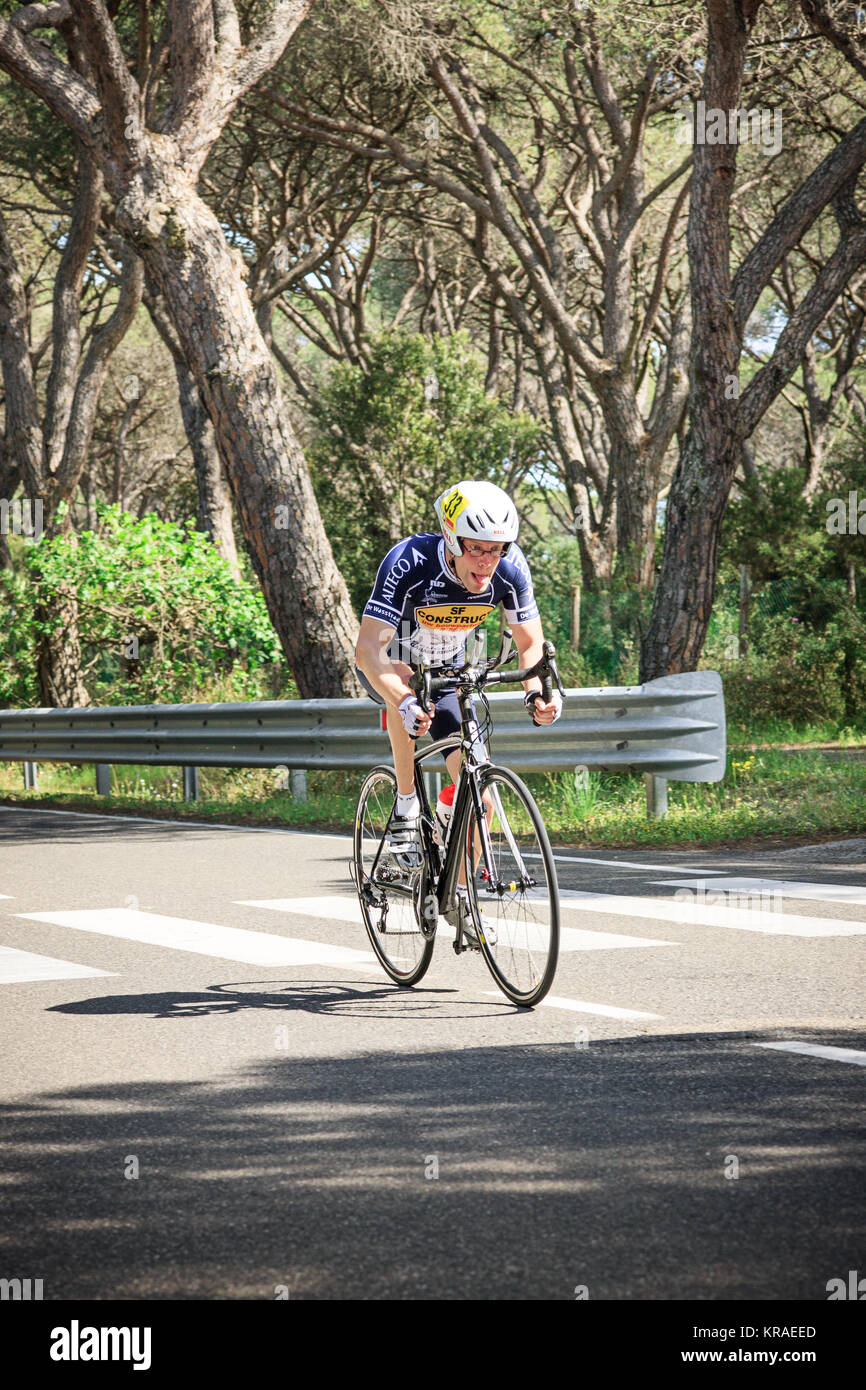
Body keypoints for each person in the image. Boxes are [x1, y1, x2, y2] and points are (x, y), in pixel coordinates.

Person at [354, 481, 562, 935]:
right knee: (407, 684)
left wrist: (536, 692)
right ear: (451, 539)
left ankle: (460, 896)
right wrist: (404, 699)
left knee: (479, 797)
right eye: (477, 550)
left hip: (448, 667)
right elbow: (367, 650)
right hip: (392, 665)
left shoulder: (510, 569)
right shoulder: (409, 560)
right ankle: (407, 806)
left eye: (497, 550)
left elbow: (529, 645)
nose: (488, 561)